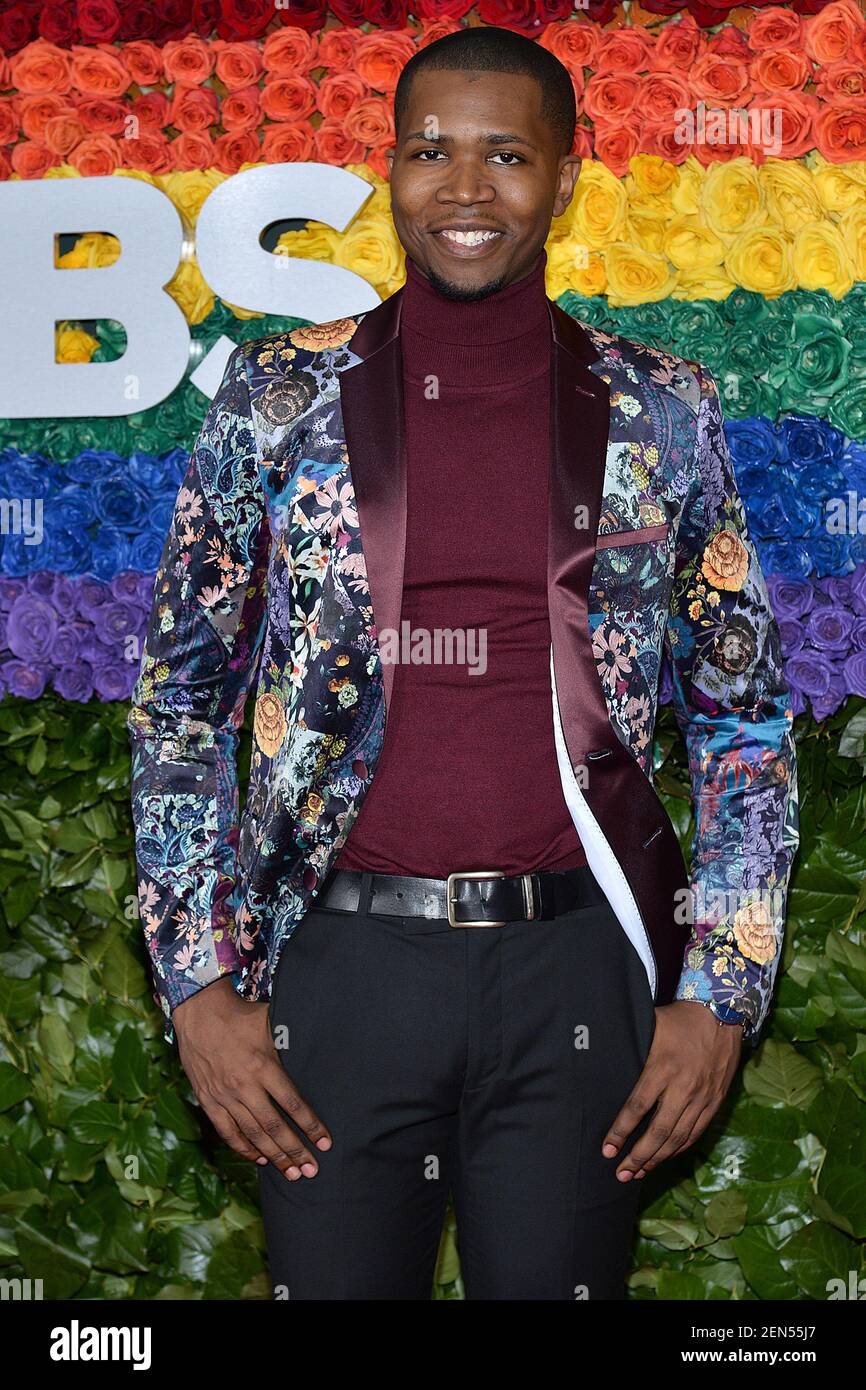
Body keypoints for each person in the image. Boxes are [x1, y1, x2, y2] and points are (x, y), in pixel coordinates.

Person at [127, 26, 800, 1300]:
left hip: (576, 972)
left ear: (564, 178)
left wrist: (720, 987)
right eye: (431, 150)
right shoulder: (275, 398)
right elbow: (179, 708)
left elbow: (741, 724)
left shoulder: (664, 407)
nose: (465, 187)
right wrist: (198, 982)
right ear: (390, 168)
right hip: (339, 972)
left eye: (505, 154)